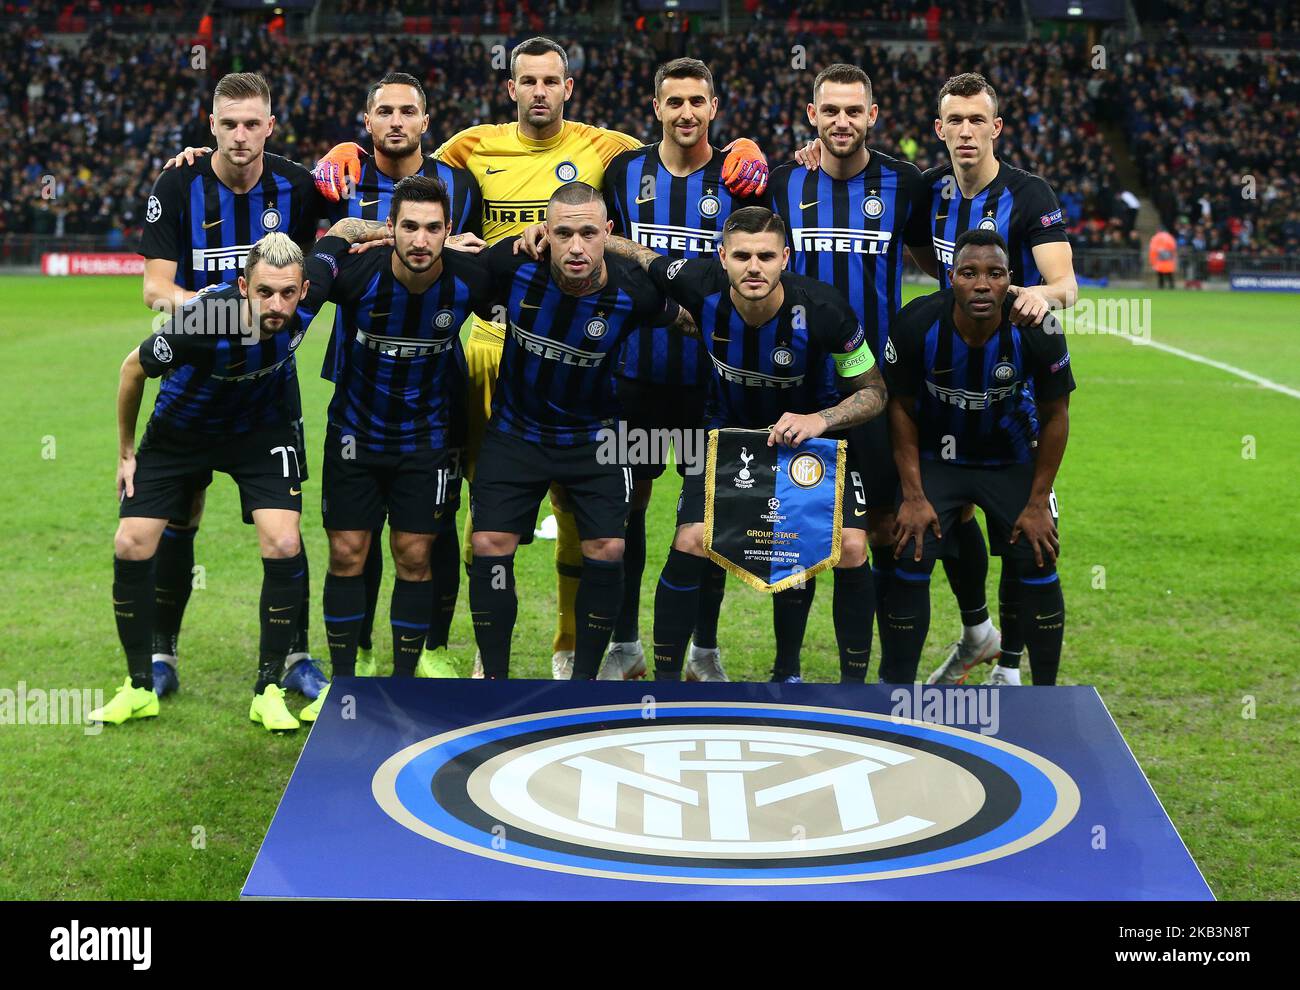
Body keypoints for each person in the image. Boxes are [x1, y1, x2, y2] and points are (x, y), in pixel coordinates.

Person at [93, 221, 384, 730]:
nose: (276, 305)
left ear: (306, 289)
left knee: (283, 541)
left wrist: (427, 237)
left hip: (260, 431)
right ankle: (139, 686)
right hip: (182, 431)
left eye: (288, 294)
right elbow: (131, 370)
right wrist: (124, 454)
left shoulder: (311, 287)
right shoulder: (206, 319)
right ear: (245, 286)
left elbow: (340, 230)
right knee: (131, 542)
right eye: (265, 292)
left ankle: (267, 688)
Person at [605, 206, 888, 682]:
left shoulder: (825, 308)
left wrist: (820, 419)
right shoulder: (698, 282)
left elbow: (874, 392)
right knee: (691, 539)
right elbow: (640, 254)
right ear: (722, 257)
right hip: (728, 438)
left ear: (785, 258)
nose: (753, 267)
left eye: (765, 256)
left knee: (854, 547)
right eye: (741, 256)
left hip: (808, 444)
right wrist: (558, 235)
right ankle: (667, 685)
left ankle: (853, 690)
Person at [139, 71, 329, 702]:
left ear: (271, 127)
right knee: (179, 517)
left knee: (283, 533)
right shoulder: (179, 182)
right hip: (192, 394)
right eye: (229, 123)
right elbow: (155, 291)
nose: (241, 135)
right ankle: (162, 653)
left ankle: (295, 656)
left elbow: (348, 234)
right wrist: (228, 317)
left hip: (268, 398)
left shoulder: (298, 187)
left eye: (253, 123)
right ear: (210, 125)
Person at [468, 182, 693, 680]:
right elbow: (451, 274)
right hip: (515, 431)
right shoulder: (512, 266)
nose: (575, 246)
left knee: (608, 549)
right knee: (488, 545)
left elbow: (689, 320)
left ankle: (585, 681)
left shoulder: (634, 289)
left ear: (607, 234)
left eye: (588, 233)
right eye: (563, 233)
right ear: (544, 234)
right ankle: (494, 679)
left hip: (594, 438)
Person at [771, 63, 934, 682]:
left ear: (872, 116)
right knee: (799, 534)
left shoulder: (905, 183)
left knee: (882, 532)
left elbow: (930, 258)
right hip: (802, 386)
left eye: (853, 110)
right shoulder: (786, 181)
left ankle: (869, 678)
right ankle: (787, 670)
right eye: (830, 111)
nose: (842, 121)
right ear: (812, 116)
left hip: (875, 388)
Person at [884, 229, 1074, 686]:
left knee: (1038, 552)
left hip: (1009, 459)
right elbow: (901, 407)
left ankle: (1044, 694)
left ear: (1012, 281)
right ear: (951, 278)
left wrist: (1037, 502)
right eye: (969, 273)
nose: (983, 284)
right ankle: (895, 693)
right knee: (909, 550)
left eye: (995, 274)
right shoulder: (917, 323)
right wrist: (912, 493)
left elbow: (1056, 416)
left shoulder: (1039, 328)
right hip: (939, 459)